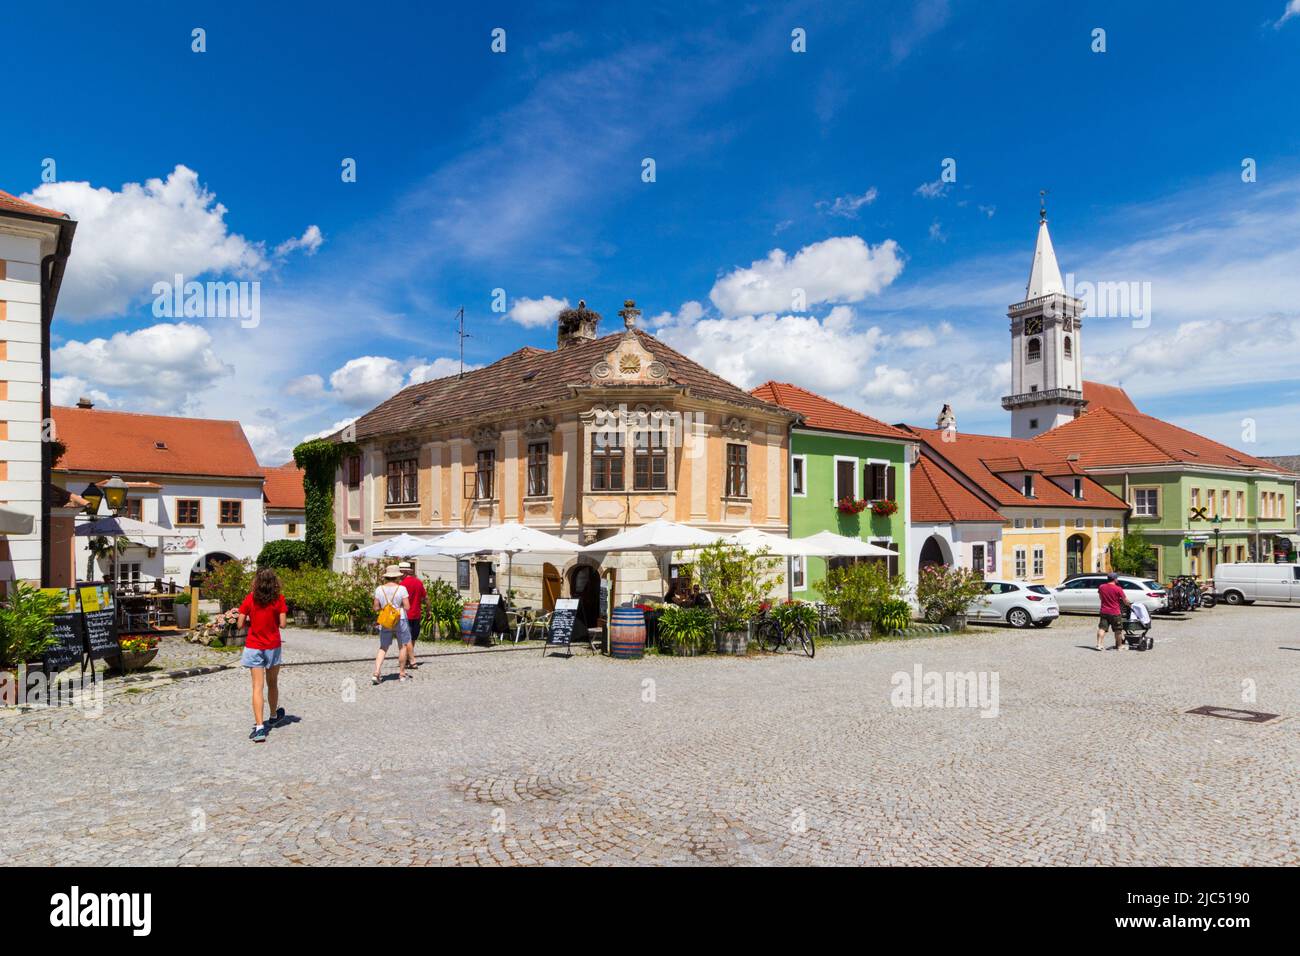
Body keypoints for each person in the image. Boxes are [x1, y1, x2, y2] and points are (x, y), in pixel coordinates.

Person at [237, 568, 288, 742]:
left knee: (257, 687)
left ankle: (259, 728)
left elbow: (239, 623)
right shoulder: (279, 599)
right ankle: (273, 716)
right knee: (272, 683)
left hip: (253, 646)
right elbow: (283, 624)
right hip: (272, 646)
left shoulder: (250, 598)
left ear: (257, 582)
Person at [373, 565, 412, 684]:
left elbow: (375, 607)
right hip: (400, 618)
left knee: (383, 647)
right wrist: (397, 607)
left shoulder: (379, 589)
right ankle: (401, 673)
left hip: (386, 621)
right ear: (397, 577)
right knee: (402, 646)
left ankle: (376, 672)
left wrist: (385, 608)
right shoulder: (402, 589)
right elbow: (407, 607)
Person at [397, 562, 426, 670]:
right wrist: (428, 611)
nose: (399, 574)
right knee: (412, 638)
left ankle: (411, 660)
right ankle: (409, 658)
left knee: (406, 639)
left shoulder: (401, 585)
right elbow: (425, 598)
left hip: (405, 615)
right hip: (417, 614)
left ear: (404, 572)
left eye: (400, 572)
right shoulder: (419, 582)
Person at [1096, 572, 1130, 651]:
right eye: (1116, 578)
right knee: (1118, 630)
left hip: (1104, 611)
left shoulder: (1101, 587)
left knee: (1102, 628)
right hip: (1115, 612)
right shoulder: (1118, 588)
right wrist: (1129, 605)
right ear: (1115, 579)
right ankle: (1119, 646)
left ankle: (1099, 645)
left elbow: (1101, 598)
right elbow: (1125, 601)